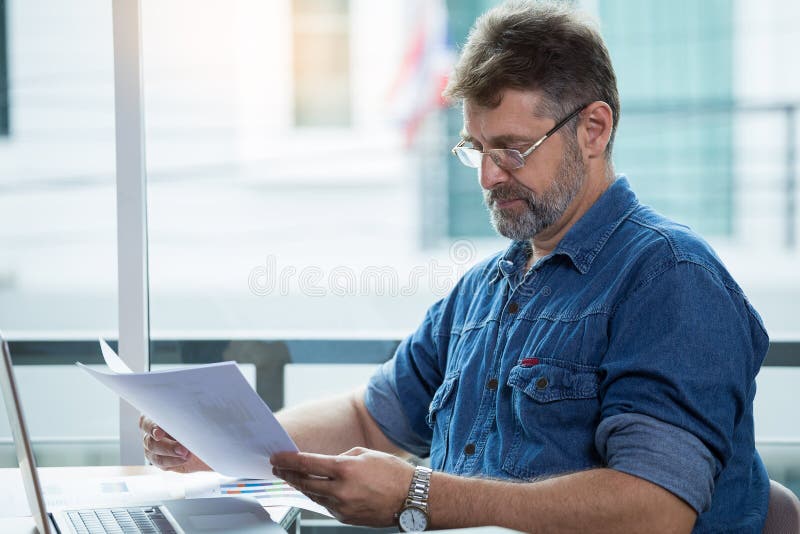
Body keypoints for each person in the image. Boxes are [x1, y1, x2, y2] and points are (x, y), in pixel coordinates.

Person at [140, 1, 770, 532]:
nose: (491, 176)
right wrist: (230, 448)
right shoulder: (485, 290)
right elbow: (369, 418)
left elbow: (654, 510)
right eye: (477, 149)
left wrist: (418, 495)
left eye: (513, 149)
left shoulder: (670, 278)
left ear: (594, 129)